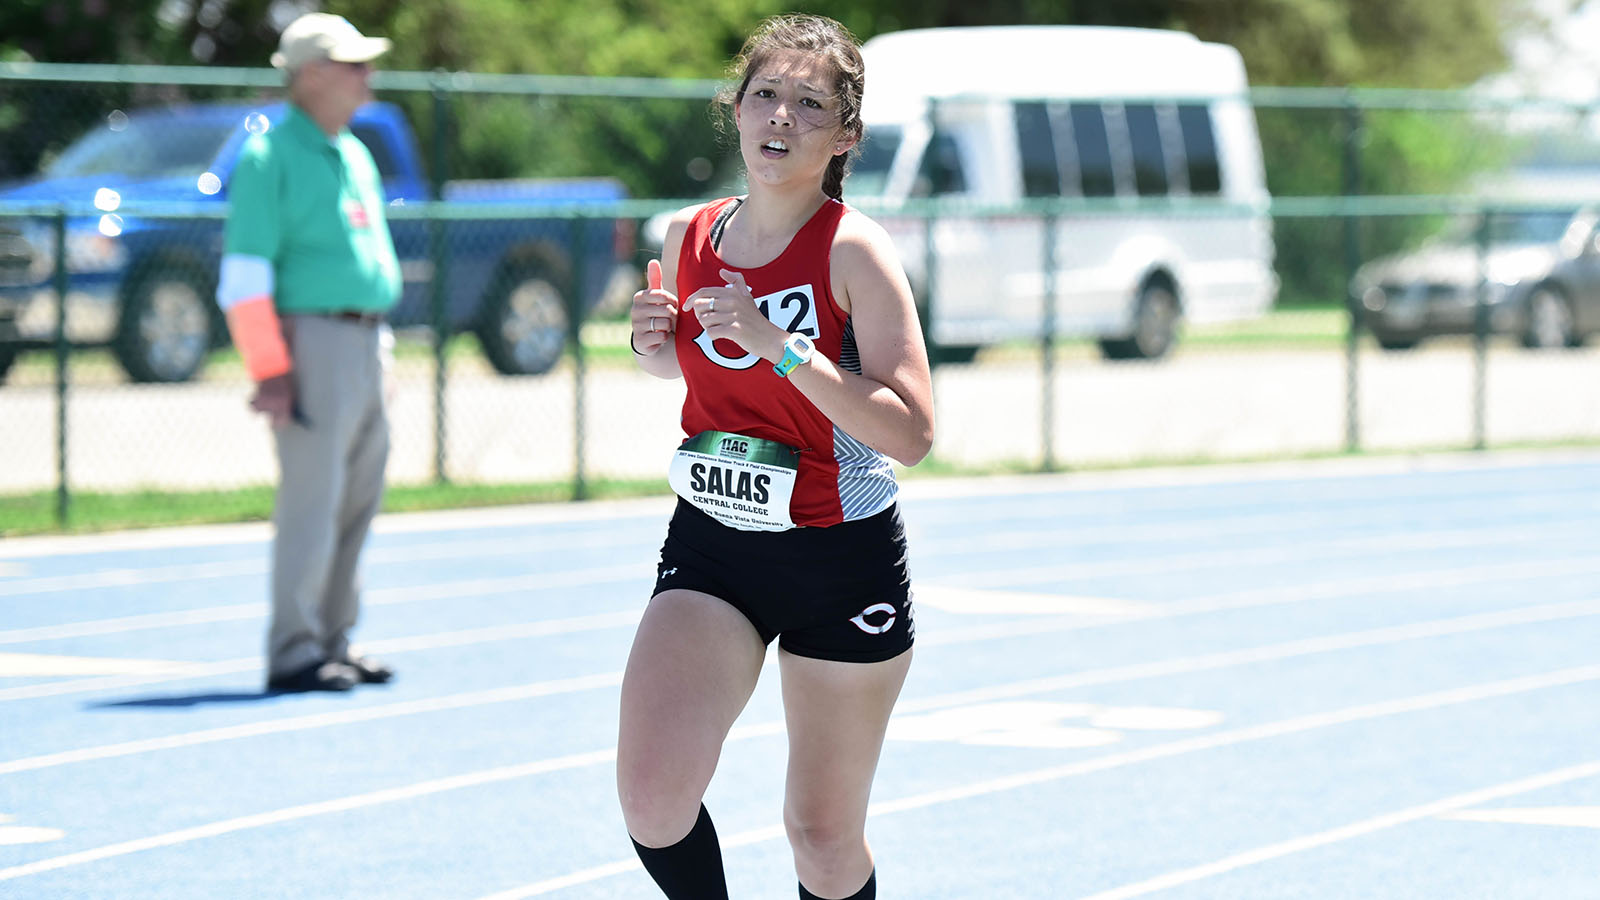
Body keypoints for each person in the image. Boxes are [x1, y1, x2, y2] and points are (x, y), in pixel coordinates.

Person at [617, 15, 934, 900]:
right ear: (736, 108)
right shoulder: (688, 237)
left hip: (840, 553)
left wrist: (781, 346)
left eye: (809, 103)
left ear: (844, 136)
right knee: (652, 798)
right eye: (766, 95)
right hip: (716, 539)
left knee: (822, 838)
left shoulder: (853, 251)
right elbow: (689, 370)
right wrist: (651, 345)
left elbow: (910, 432)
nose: (781, 119)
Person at [216, 13, 400, 693]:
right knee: (311, 502)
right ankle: (294, 649)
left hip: (361, 339)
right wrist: (270, 370)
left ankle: (332, 639)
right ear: (310, 73)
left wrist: (377, 348)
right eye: (352, 64)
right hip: (312, 340)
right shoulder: (269, 156)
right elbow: (244, 278)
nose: (366, 76)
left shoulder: (350, 150)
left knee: (355, 500)